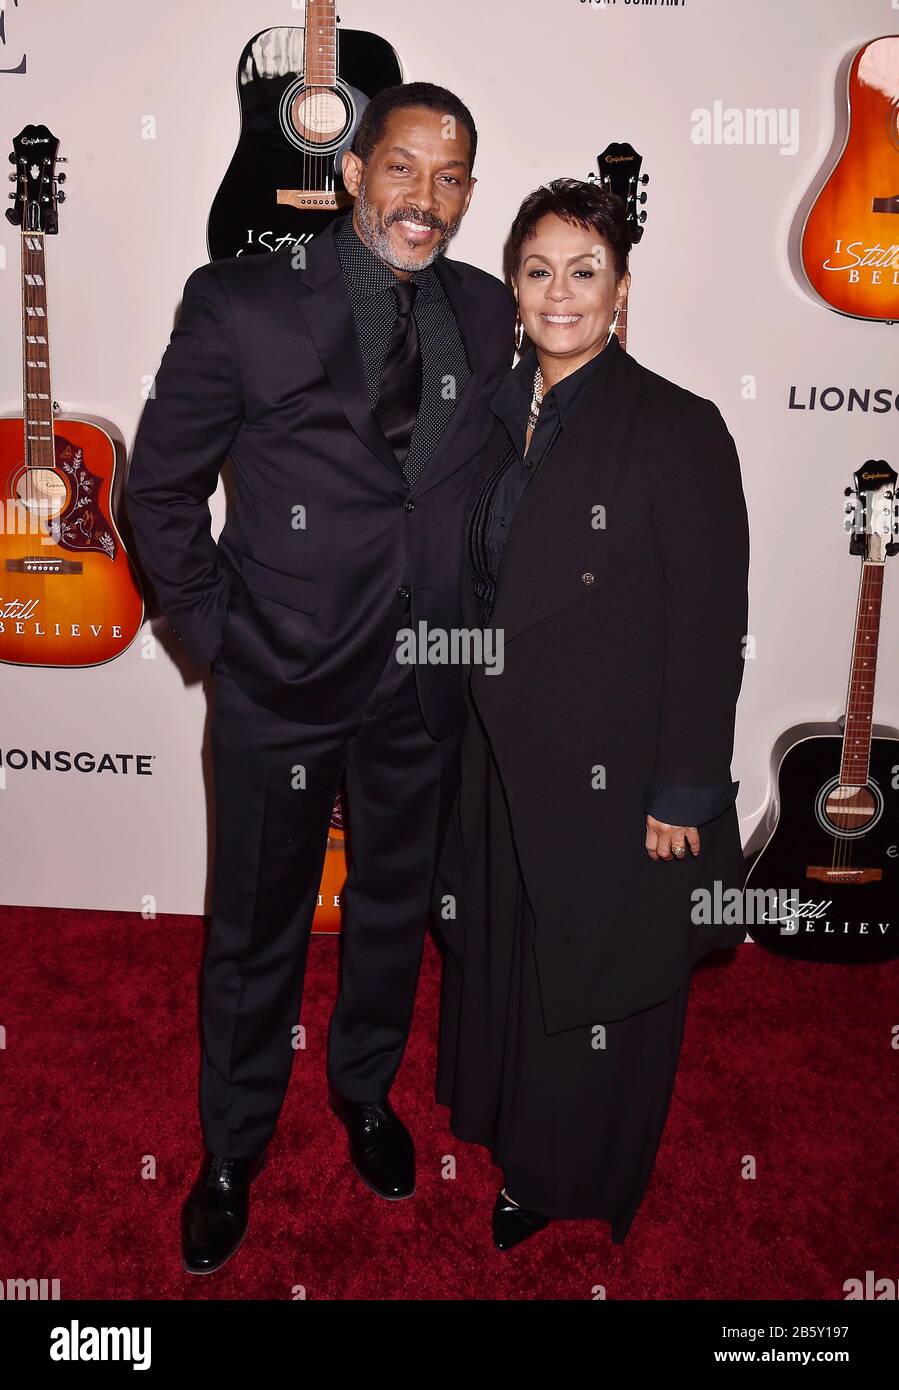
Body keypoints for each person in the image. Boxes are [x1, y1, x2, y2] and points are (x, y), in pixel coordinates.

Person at [125, 82, 516, 1274]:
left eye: (449, 177)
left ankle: (362, 1090)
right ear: (352, 172)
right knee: (256, 925)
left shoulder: (486, 308)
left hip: (423, 681)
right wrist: (221, 641)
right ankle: (232, 1147)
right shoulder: (240, 301)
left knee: (393, 909)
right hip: (279, 678)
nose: (424, 198)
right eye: (401, 168)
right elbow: (158, 491)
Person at [435, 178, 751, 1250]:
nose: (559, 293)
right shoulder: (490, 411)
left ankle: (567, 1172)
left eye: (584, 271)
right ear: (512, 287)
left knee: (597, 971)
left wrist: (684, 789)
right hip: (496, 750)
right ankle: (508, 1129)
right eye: (538, 271)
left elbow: (710, 625)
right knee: (508, 954)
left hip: (611, 763)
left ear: (620, 289)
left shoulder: (676, 427)